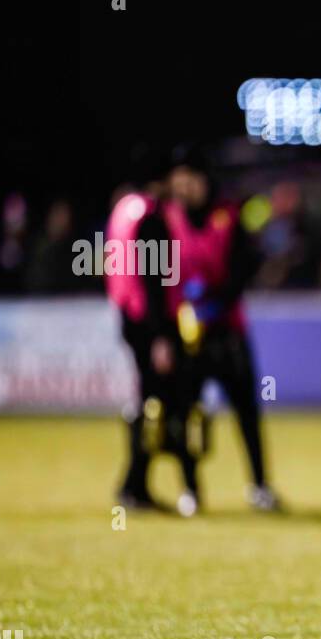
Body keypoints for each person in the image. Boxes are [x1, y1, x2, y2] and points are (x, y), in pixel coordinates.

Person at [162, 145, 280, 515]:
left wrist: (216, 300)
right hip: (186, 333)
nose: (184, 189)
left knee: (246, 411)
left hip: (227, 329)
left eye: (190, 180)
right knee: (185, 411)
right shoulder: (167, 219)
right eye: (178, 182)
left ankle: (260, 486)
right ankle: (191, 490)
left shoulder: (229, 215)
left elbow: (246, 266)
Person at [104, 152, 198, 511]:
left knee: (150, 401)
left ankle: (137, 484)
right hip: (151, 322)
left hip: (129, 315)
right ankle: (137, 485)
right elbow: (154, 279)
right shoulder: (152, 217)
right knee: (163, 405)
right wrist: (161, 336)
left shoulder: (124, 208)